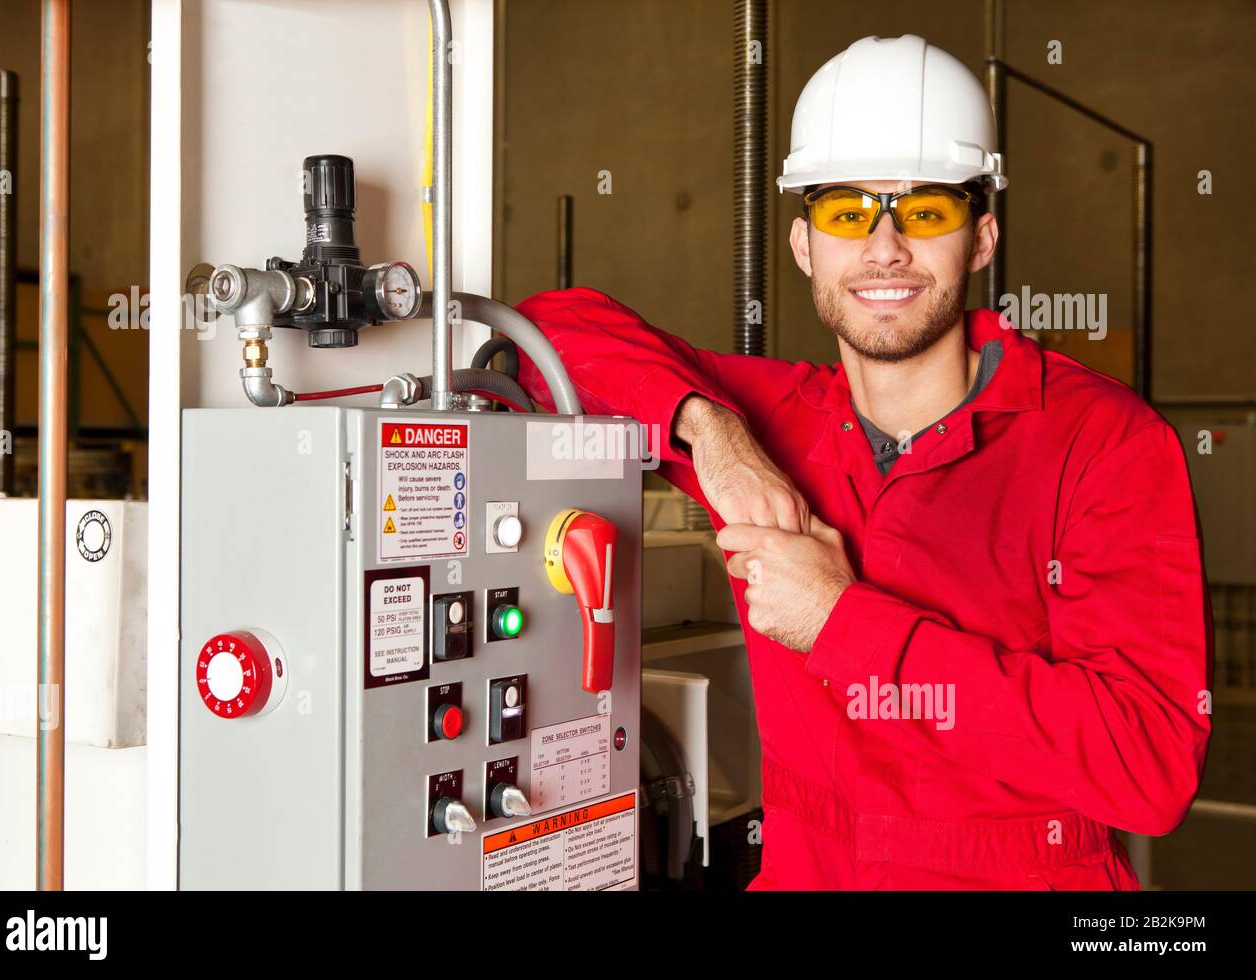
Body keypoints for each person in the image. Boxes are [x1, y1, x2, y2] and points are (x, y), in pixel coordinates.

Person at [513, 34, 1211, 890]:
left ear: (981, 238)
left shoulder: (1101, 442)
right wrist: (713, 436)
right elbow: (541, 332)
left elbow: (1148, 766)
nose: (885, 249)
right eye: (848, 213)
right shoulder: (771, 422)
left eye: (924, 211)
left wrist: (843, 623)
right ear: (806, 246)